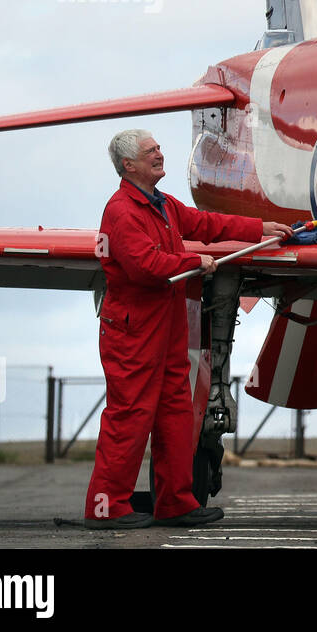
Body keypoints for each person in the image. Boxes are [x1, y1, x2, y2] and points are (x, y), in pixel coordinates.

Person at [84, 128, 293, 529]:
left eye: (159, 147)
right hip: (133, 333)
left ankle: (175, 502)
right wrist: (193, 264)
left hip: (164, 328)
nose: (160, 154)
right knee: (129, 415)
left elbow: (202, 223)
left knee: (176, 413)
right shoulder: (122, 211)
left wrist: (259, 228)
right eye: (151, 152)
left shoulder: (160, 204)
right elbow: (144, 266)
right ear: (129, 166)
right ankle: (106, 507)